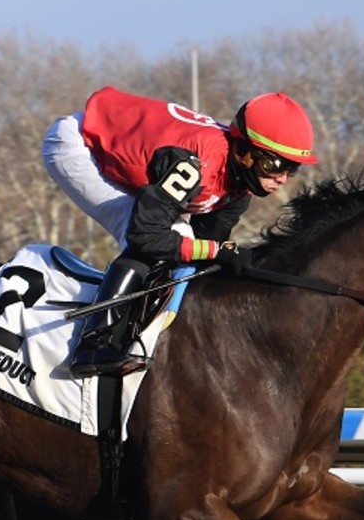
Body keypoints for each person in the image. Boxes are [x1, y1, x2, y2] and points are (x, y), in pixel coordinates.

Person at [42, 85, 317, 377]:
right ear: (243, 150)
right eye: (273, 163)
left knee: (184, 243)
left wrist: (220, 256)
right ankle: (95, 344)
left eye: (292, 168)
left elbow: (206, 251)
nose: (282, 178)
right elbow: (145, 237)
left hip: (122, 147)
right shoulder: (195, 165)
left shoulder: (238, 189)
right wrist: (215, 251)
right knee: (162, 234)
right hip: (79, 145)